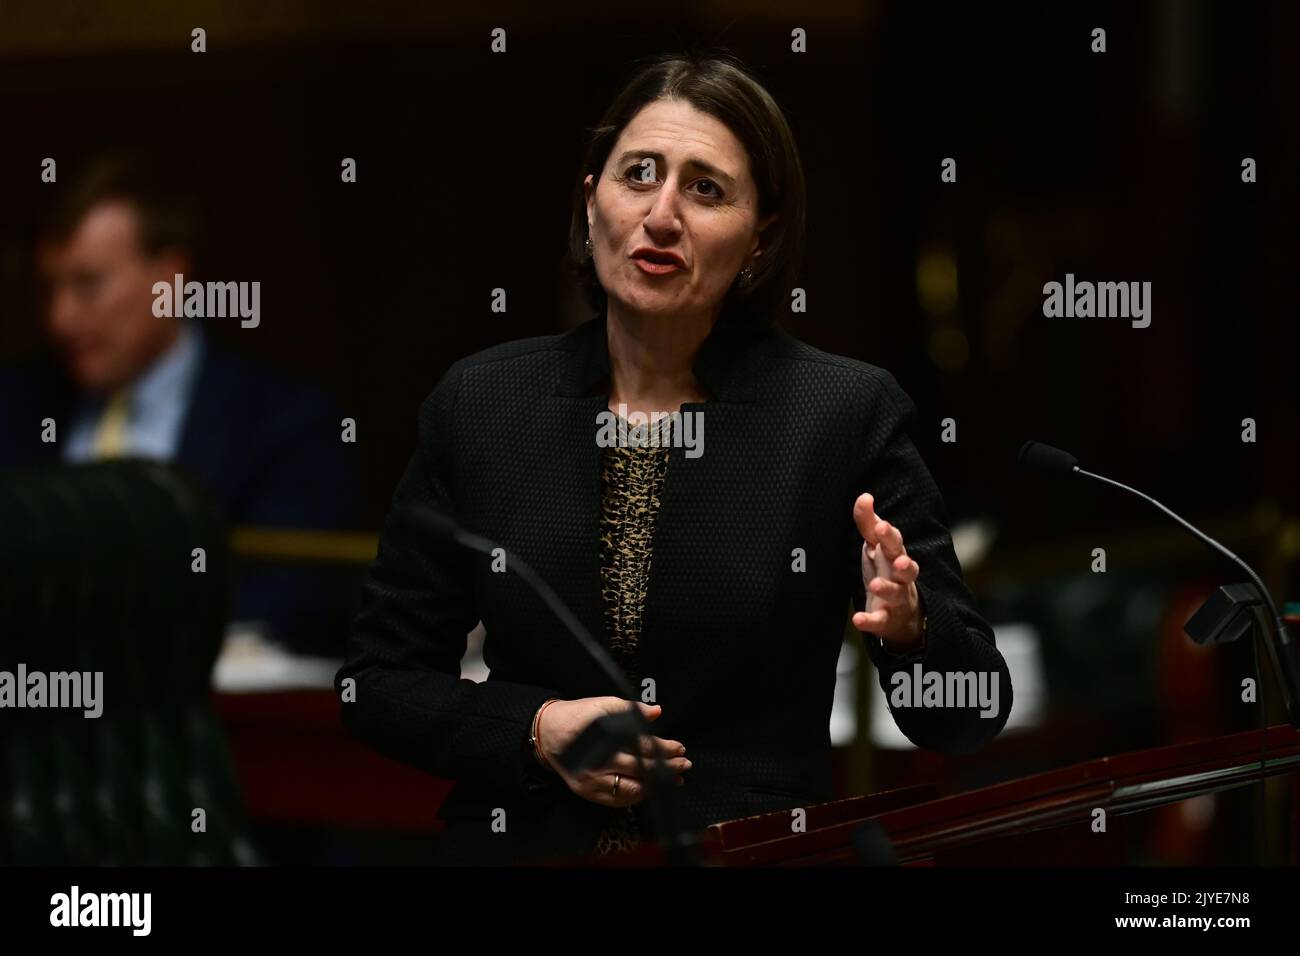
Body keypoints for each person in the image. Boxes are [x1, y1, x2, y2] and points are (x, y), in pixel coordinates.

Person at [337, 51, 1012, 865]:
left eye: (706, 189)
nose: (662, 215)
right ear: (591, 204)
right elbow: (374, 684)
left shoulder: (839, 415)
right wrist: (533, 729)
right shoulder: (483, 405)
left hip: (746, 854)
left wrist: (912, 634)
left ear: (760, 236)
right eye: (639, 175)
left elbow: (968, 714)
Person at [0, 155, 358, 654]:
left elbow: (295, 604)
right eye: (49, 289)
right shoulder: (14, 405)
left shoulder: (281, 422)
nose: (61, 318)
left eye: (87, 284)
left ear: (169, 278)